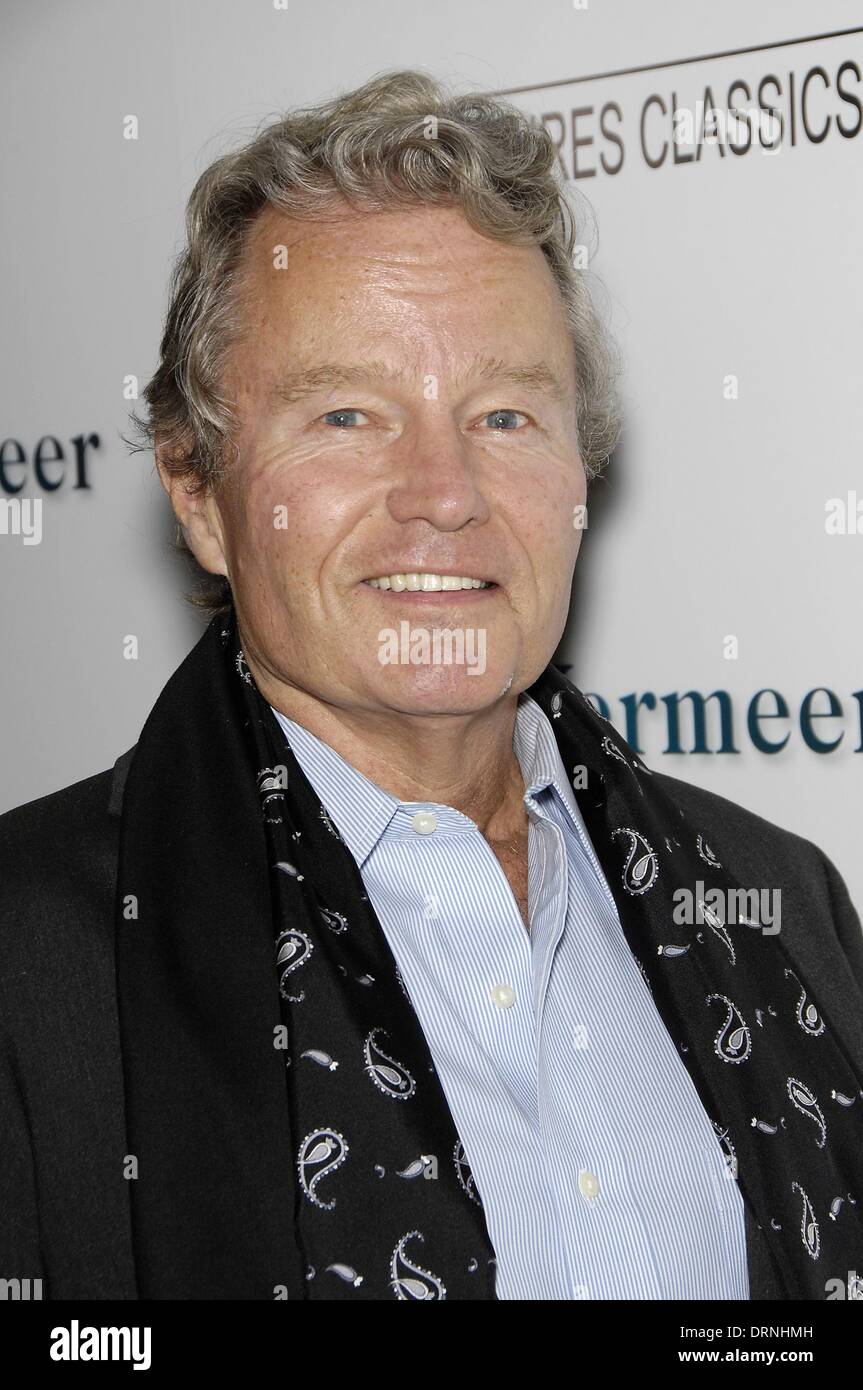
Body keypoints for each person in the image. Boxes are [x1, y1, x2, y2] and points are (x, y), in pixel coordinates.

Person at [2, 69, 862, 1302]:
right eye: (348, 415)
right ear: (199, 495)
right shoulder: (36, 966)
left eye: (507, 416)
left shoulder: (776, 898)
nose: (444, 493)